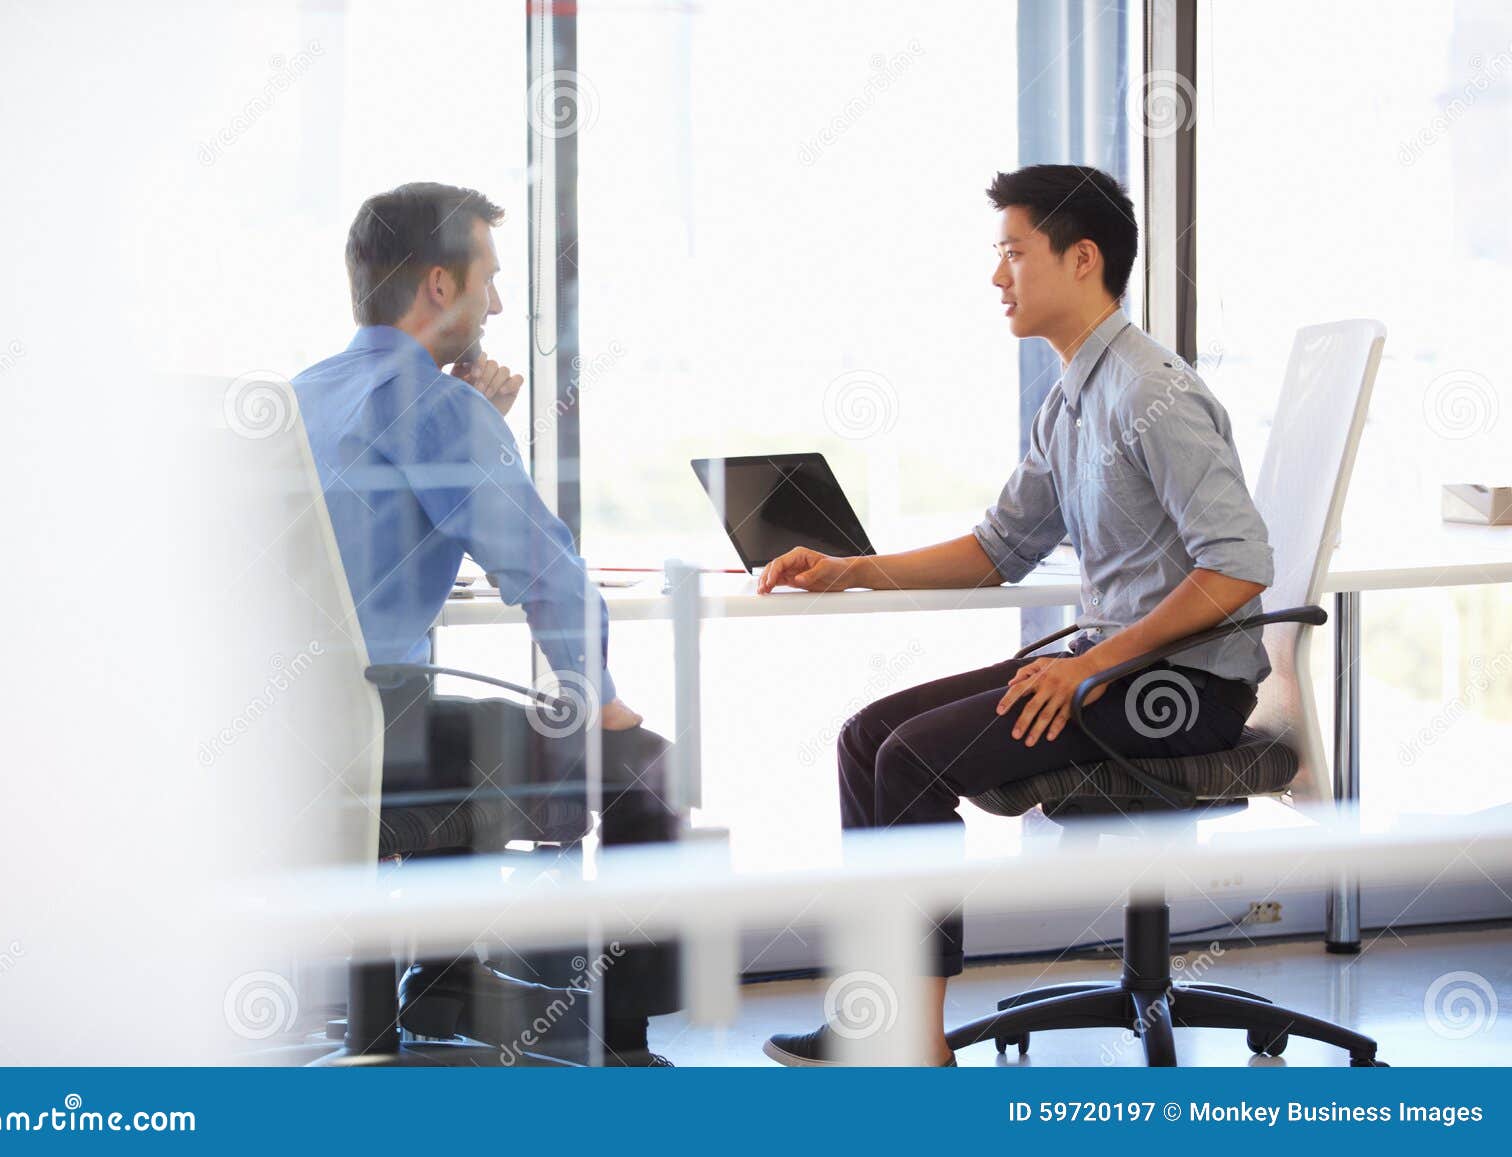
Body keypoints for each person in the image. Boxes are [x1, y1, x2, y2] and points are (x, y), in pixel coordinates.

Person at [760, 164, 1274, 1066]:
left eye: (1013, 253)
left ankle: (916, 1050)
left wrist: (1087, 666)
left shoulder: (1156, 394)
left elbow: (1237, 567)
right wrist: (852, 570)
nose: (998, 277)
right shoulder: (1071, 395)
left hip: (1184, 686)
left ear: (1081, 259)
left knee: (914, 759)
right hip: (1111, 662)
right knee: (864, 735)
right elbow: (998, 547)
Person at [293, 182, 678, 1066]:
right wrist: (606, 705)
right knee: (641, 763)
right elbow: (547, 574)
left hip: (279, 743)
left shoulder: (297, 398)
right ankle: (621, 1038)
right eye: (489, 279)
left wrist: (472, 433)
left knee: (445, 732)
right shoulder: (437, 407)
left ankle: (443, 980)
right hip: (376, 742)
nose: (498, 302)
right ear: (439, 284)